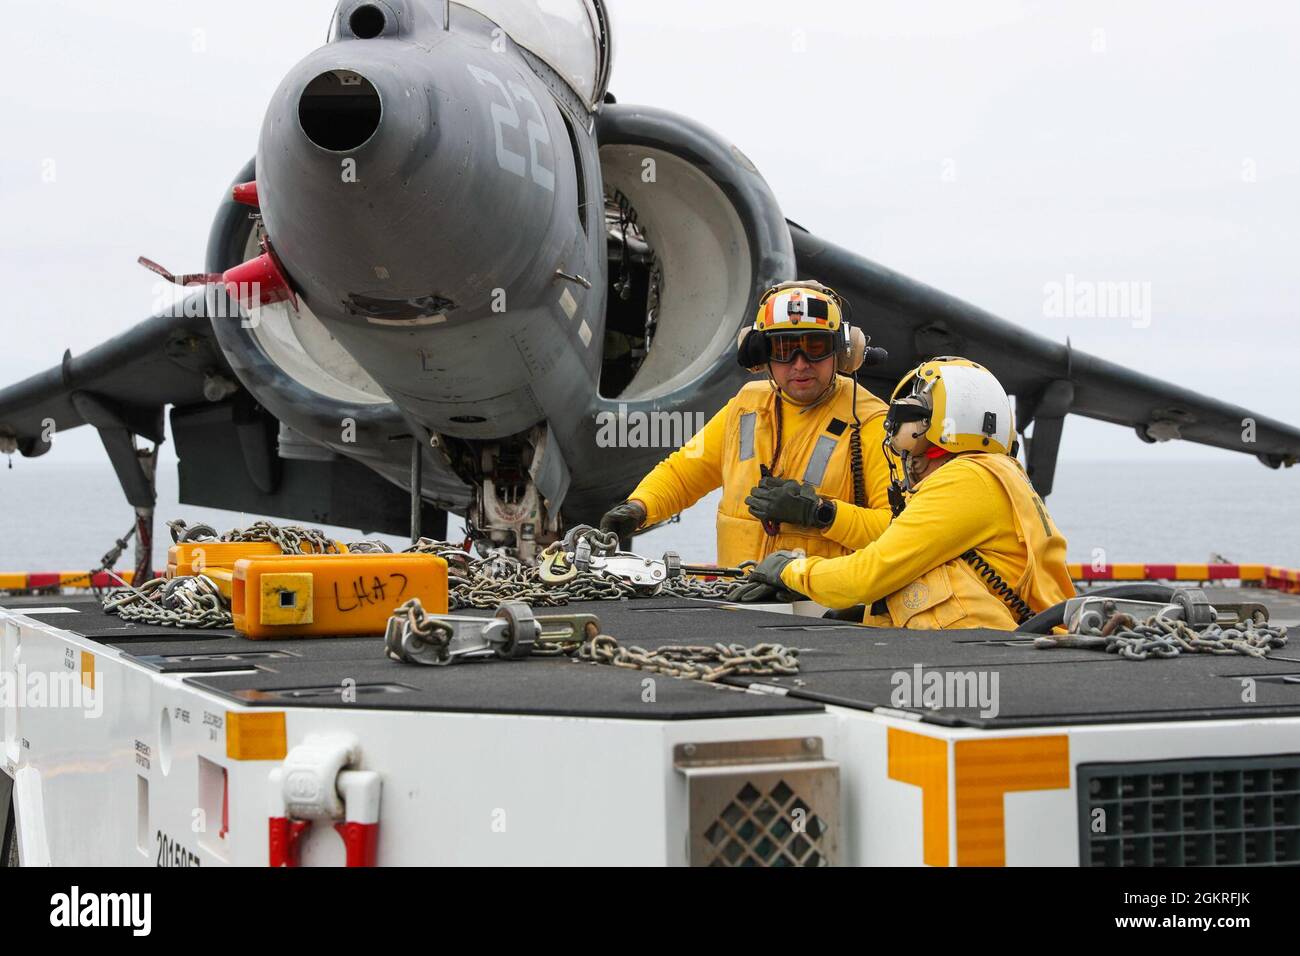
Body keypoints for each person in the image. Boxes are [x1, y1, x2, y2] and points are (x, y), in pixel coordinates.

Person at [732, 357, 1075, 630]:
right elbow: (899, 556)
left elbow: (868, 574)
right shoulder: (995, 475)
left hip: (993, 658)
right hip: (1014, 647)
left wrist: (792, 570)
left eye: (907, 418)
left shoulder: (964, 480)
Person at [599, 281, 895, 567]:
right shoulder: (745, 406)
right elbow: (683, 473)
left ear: (842, 350)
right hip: (740, 601)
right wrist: (639, 508)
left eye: (814, 346)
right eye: (784, 348)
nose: (800, 363)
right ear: (760, 353)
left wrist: (821, 513)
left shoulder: (869, 421)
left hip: (820, 612)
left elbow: (898, 531)